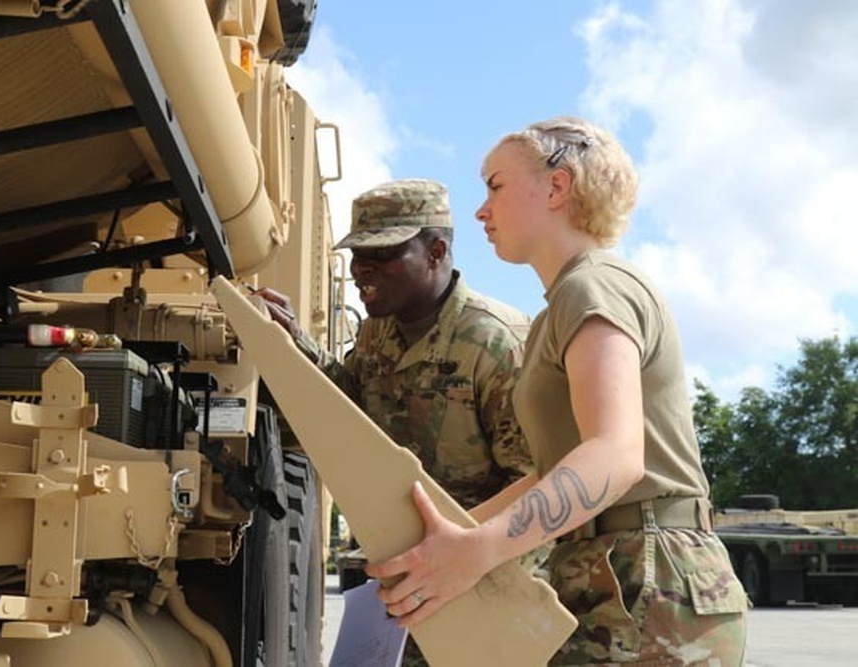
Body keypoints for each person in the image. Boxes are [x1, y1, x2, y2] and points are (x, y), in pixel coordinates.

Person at [365, 119, 749, 665]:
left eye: (495, 185)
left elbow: (614, 456)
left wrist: (478, 551)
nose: (481, 210)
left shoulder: (593, 286)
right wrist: (449, 542)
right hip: (615, 573)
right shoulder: (557, 313)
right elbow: (552, 473)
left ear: (557, 187)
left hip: (648, 580)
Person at [257, 178, 539, 666]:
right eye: (357, 254)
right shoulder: (376, 334)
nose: (362, 268)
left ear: (436, 251)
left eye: (383, 253)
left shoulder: (494, 343)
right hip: (403, 586)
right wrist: (295, 344)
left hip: (476, 593)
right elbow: (353, 413)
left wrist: (497, 608)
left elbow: (539, 489)